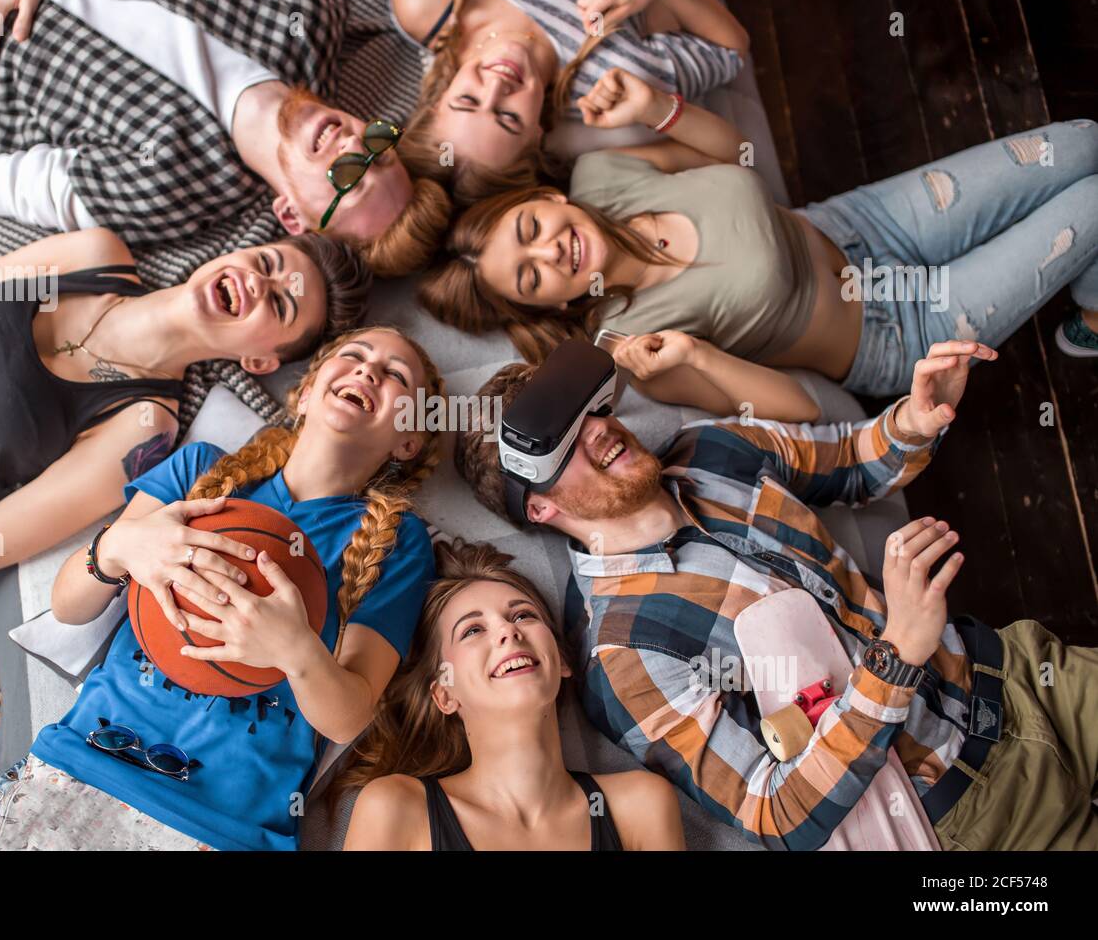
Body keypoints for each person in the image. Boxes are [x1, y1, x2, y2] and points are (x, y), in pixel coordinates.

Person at [456, 339, 1098, 849]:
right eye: (567, 441)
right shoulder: (623, 653)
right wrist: (896, 654)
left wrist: (913, 420)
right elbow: (776, 809)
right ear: (539, 506)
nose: (599, 428)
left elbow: (851, 457)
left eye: (591, 408)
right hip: (972, 823)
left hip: (1017, 673)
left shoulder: (712, 450)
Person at [0, 327, 442, 851]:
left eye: (397, 376)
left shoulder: (397, 542)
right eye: (354, 355)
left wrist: (296, 652)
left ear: (408, 439)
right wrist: (116, 548)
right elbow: (68, 607)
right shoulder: (203, 471)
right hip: (79, 774)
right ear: (308, 390)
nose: (369, 371)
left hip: (222, 829)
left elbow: (349, 717)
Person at [0, 227, 368, 589]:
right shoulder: (96, 254)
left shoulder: (142, 427)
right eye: (265, 262)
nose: (254, 283)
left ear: (262, 361)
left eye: (279, 303)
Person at [0, 0, 452, 276]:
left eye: (347, 178)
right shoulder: (308, 15)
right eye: (376, 149)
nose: (347, 146)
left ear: (292, 216)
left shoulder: (170, 185)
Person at [425, 113, 1098, 392]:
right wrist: (697, 357)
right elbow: (790, 406)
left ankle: (1090, 310)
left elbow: (728, 152)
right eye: (531, 276)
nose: (549, 251)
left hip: (868, 218)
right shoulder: (628, 338)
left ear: (548, 197)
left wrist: (659, 105)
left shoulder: (602, 178)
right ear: (554, 303)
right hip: (901, 329)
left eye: (530, 228)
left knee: (1083, 144)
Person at [341, 538, 685, 850]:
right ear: (444, 693)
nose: (508, 630)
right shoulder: (396, 809)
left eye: (523, 615)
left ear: (563, 661)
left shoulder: (641, 807)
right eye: (472, 630)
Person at [390, 0, 748, 203]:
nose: (498, 86)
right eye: (509, 117)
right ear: (537, 136)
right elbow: (732, 50)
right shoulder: (613, 73)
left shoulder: (430, 5)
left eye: (467, 101)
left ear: (438, 103)